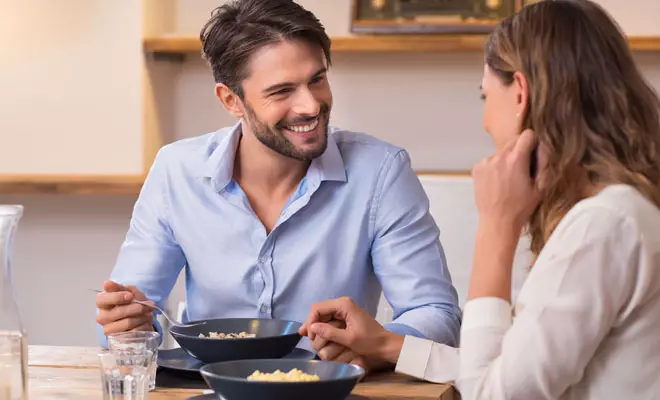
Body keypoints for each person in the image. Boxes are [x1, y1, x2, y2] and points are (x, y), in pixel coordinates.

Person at [299, 0, 660, 398]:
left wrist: (495, 228)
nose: (486, 120)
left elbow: (492, 393)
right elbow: (513, 366)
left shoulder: (602, 226)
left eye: (485, 96)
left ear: (520, 93)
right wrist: (387, 344)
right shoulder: (624, 210)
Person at [94, 0, 461, 367]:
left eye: (317, 79)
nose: (310, 105)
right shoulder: (177, 171)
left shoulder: (380, 171)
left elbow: (436, 315)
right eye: (282, 91)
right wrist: (126, 325)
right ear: (231, 100)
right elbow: (124, 319)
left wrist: (379, 345)